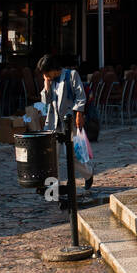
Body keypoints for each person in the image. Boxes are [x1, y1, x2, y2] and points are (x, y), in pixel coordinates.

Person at [37, 53, 93, 189]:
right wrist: (46, 85)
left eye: (46, 72)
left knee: (74, 154)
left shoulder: (71, 75)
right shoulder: (50, 81)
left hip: (70, 121)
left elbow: (81, 96)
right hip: (53, 122)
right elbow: (45, 101)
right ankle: (53, 186)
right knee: (52, 156)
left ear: (53, 68)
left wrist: (79, 115)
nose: (46, 75)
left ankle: (88, 175)